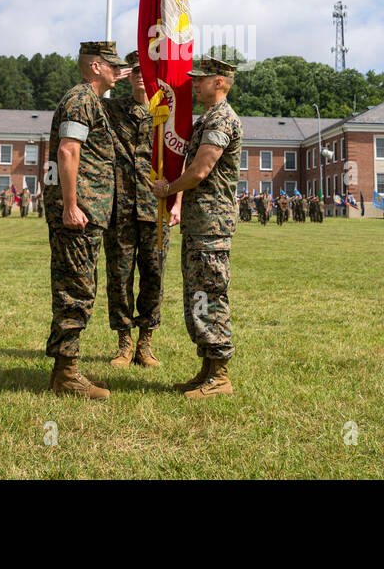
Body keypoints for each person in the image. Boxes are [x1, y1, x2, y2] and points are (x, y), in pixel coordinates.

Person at [152, 56, 243, 399]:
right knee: (197, 296)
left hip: (211, 225)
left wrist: (168, 189)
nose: (194, 83)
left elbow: (200, 171)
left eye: (201, 79)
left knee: (210, 295)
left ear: (219, 82)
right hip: (199, 223)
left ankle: (220, 376)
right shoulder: (207, 118)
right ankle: (207, 370)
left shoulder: (222, 119)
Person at [43, 40, 128, 400]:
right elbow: (68, 150)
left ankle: (66, 370)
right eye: (112, 65)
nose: (118, 71)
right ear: (95, 66)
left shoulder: (92, 101)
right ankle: (67, 374)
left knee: (80, 286)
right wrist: (71, 205)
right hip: (78, 214)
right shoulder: (81, 100)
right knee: (75, 289)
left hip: (87, 214)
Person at [103, 50, 181, 368]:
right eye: (132, 69)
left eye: (143, 69)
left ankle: (145, 343)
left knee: (153, 275)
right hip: (119, 208)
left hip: (155, 210)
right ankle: (124, 342)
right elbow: (83, 99)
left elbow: (180, 157)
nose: (138, 74)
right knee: (119, 277)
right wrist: (109, 74)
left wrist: (178, 201)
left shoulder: (166, 113)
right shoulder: (110, 110)